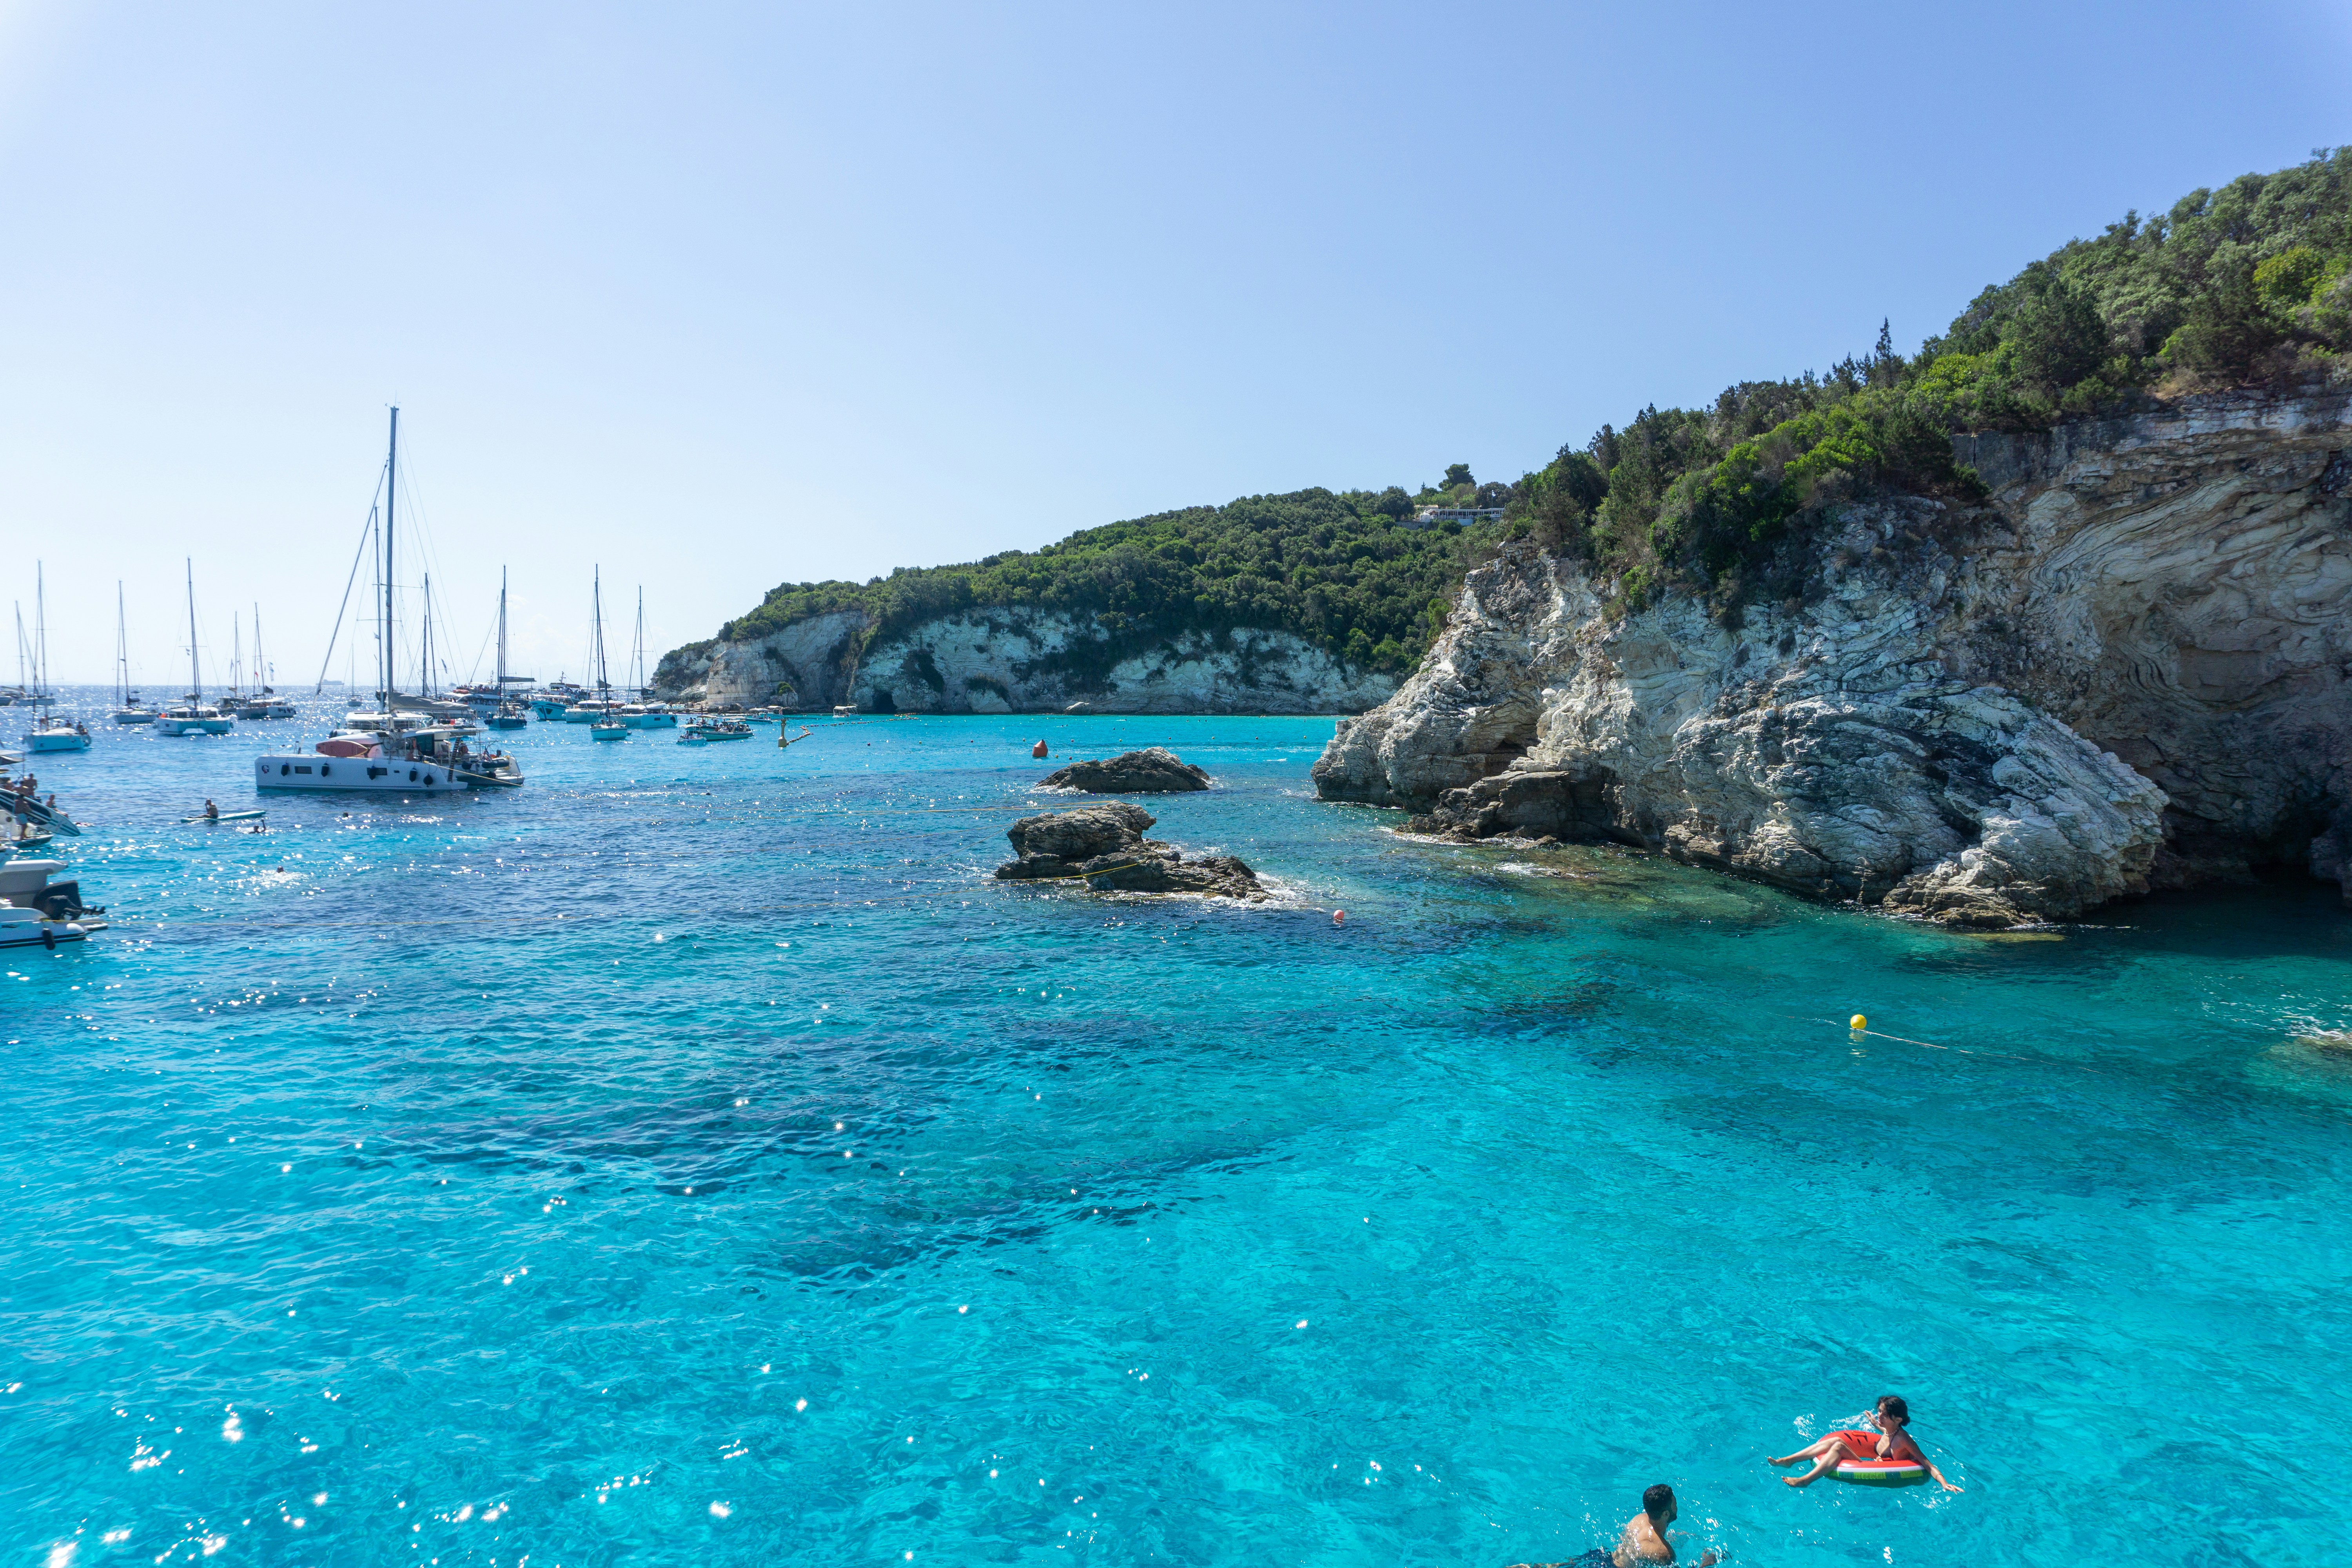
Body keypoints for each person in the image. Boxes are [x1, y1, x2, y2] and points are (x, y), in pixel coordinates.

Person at [1770, 1395, 1962, 1492]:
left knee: (1837, 1445)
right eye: (1879, 1411)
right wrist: (1876, 1425)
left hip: (1887, 1472)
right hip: (1874, 1461)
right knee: (1835, 1440)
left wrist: (1944, 1483)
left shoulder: (1904, 1440)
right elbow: (1887, 1433)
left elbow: (1928, 1464)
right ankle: (1788, 1460)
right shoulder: (1890, 1430)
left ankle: (1806, 1480)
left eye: (1885, 1415)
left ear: (1898, 1419)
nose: (1880, 1416)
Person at [1511, 1486, 1719, 1568]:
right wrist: (1705, 1564)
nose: (1677, 1506)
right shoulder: (1665, 1553)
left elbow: (1646, 1542)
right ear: (1666, 1513)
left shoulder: (1640, 1519)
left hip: (1602, 1557)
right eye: (1674, 1503)